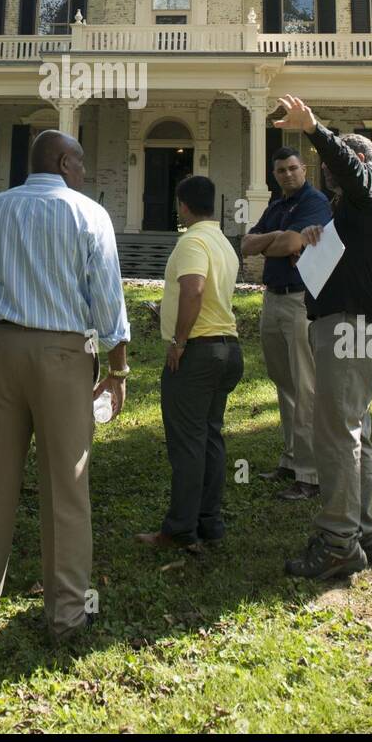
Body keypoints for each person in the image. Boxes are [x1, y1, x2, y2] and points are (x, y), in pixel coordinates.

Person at [0, 130, 130, 644]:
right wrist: (118, 371)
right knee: (66, 486)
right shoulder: (87, 213)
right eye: (79, 163)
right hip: (62, 352)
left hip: (4, 346)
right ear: (62, 161)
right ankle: (66, 616)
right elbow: (108, 299)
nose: (84, 173)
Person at [273, 96, 372, 580]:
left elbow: (349, 167)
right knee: (356, 433)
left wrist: (314, 129)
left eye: (333, 171)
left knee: (335, 434)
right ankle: (364, 531)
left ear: (360, 164)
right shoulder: (360, 213)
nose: (330, 180)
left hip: (351, 329)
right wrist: (315, 241)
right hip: (361, 328)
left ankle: (337, 542)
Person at [136, 175, 243, 551]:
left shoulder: (192, 240)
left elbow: (194, 289)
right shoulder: (224, 243)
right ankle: (209, 523)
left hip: (199, 351)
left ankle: (181, 529)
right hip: (228, 350)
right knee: (211, 438)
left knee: (187, 445)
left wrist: (179, 342)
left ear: (182, 205)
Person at [242, 147, 332, 500]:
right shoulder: (277, 206)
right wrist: (273, 243)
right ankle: (291, 459)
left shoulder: (315, 202)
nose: (287, 175)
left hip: (299, 299)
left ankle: (310, 475)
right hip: (272, 297)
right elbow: (247, 243)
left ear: (304, 169)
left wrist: (277, 241)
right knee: (284, 382)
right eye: (280, 171)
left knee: (305, 384)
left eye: (293, 169)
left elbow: (293, 242)